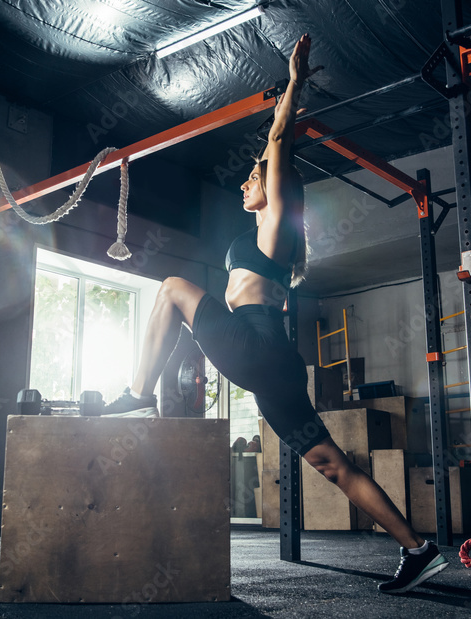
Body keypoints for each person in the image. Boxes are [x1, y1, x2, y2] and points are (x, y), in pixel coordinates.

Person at [102, 34, 447, 594]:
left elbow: (279, 137)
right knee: (334, 465)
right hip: (272, 368)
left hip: (259, 348)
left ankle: (140, 391)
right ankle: (418, 548)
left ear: (274, 184)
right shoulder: (264, 234)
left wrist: (293, 82)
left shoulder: (279, 222)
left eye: (252, 177)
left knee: (169, 288)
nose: (245, 182)